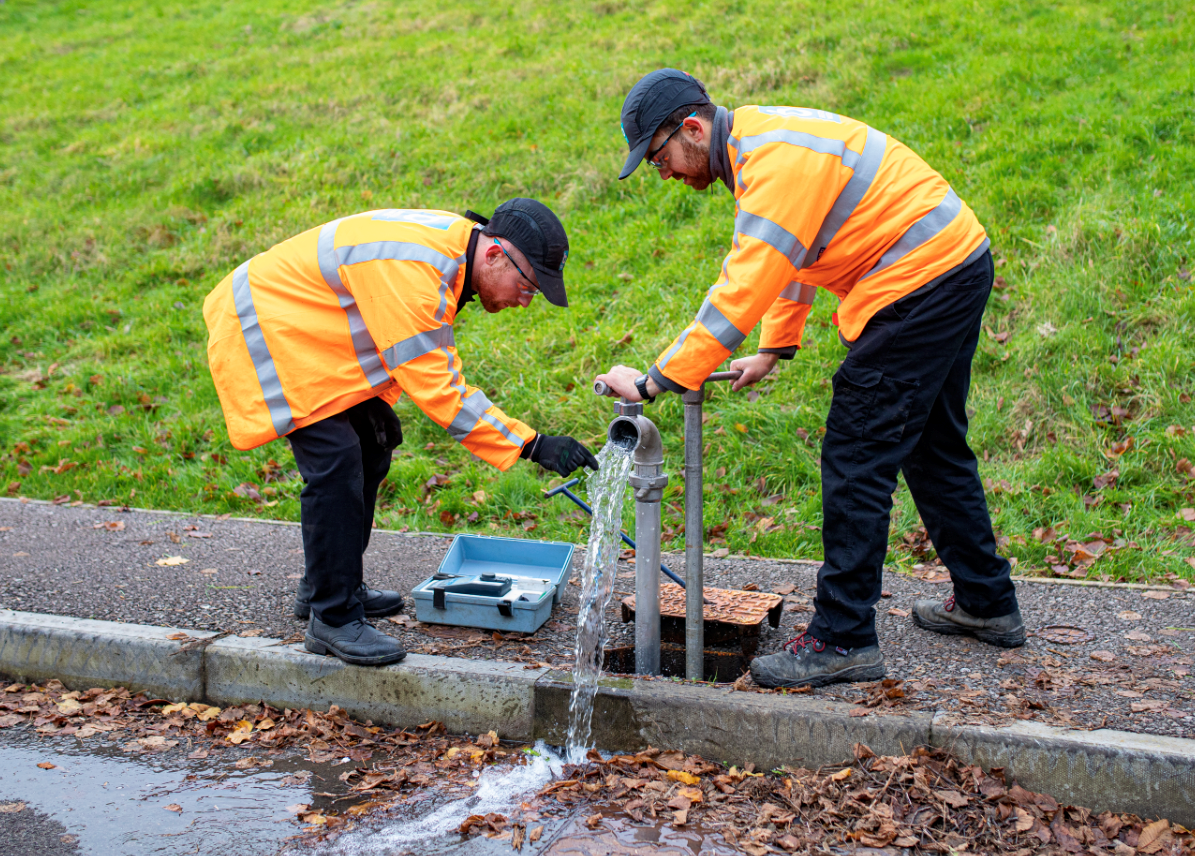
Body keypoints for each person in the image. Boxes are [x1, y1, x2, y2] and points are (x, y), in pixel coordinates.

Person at [595, 69, 1024, 688]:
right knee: (933, 448)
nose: (663, 174)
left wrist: (655, 382)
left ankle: (842, 638)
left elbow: (740, 290)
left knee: (857, 456)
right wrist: (775, 347)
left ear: (692, 128)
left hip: (918, 283)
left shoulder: (770, 163)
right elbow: (796, 251)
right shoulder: (763, 144)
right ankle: (987, 601)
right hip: (953, 263)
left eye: (659, 158)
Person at [204, 199, 598, 667]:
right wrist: (531, 445)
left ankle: (327, 587)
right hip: (265, 326)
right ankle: (332, 618)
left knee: (374, 439)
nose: (523, 299)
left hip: (305, 330)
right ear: (494, 255)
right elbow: (440, 389)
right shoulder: (419, 271)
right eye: (527, 285)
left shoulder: (452, 255)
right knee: (336, 460)